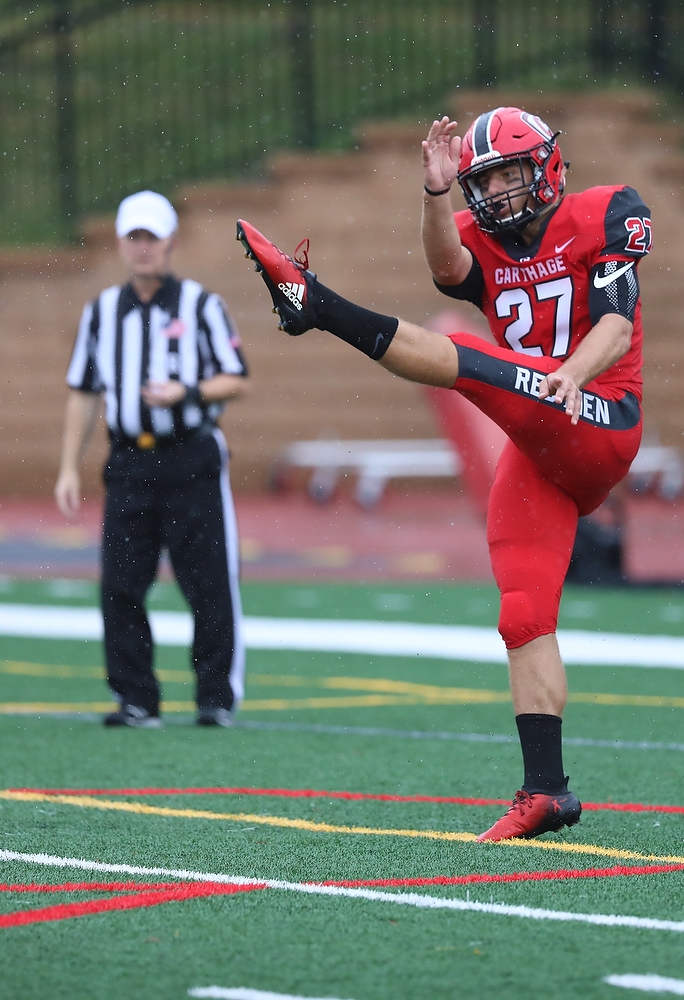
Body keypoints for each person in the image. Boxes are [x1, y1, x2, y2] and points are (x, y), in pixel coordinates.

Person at [235, 106, 651, 840]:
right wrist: (435, 193)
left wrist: (572, 375)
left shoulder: (606, 212)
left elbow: (616, 324)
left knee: (470, 360)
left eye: (508, 176)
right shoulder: (474, 237)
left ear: (547, 167)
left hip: (598, 414)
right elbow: (446, 268)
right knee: (522, 613)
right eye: (480, 183)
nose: (494, 194)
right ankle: (546, 791)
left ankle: (316, 304)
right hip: (537, 445)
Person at [55, 190, 249, 729]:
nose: (143, 247)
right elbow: (83, 391)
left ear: (171, 244)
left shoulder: (202, 306)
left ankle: (215, 696)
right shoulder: (101, 313)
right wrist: (68, 465)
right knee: (121, 584)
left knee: (208, 583)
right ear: (122, 244)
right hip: (129, 463)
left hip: (191, 458)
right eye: (134, 237)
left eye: (152, 237)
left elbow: (236, 378)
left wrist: (187, 393)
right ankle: (136, 697)